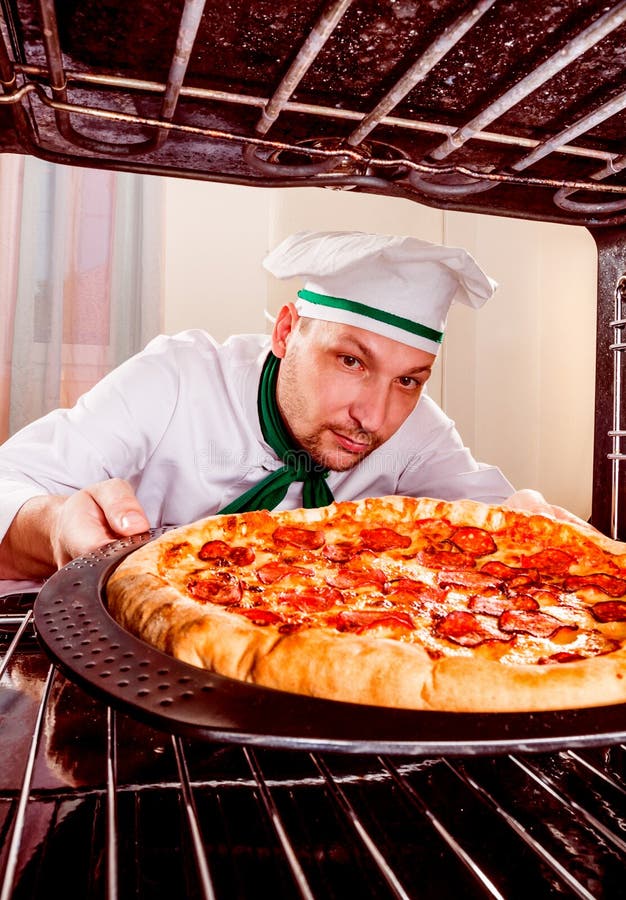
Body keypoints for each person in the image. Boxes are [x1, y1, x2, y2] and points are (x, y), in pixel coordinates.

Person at [0, 229, 580, 584]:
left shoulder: (418, 428)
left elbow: (493, 519)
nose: (374, 418)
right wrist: (54, 527)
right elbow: (11, 487)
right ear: (286, 331)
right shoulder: (176, 377)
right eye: (351, 361)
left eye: (408, 380)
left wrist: (527, 520)